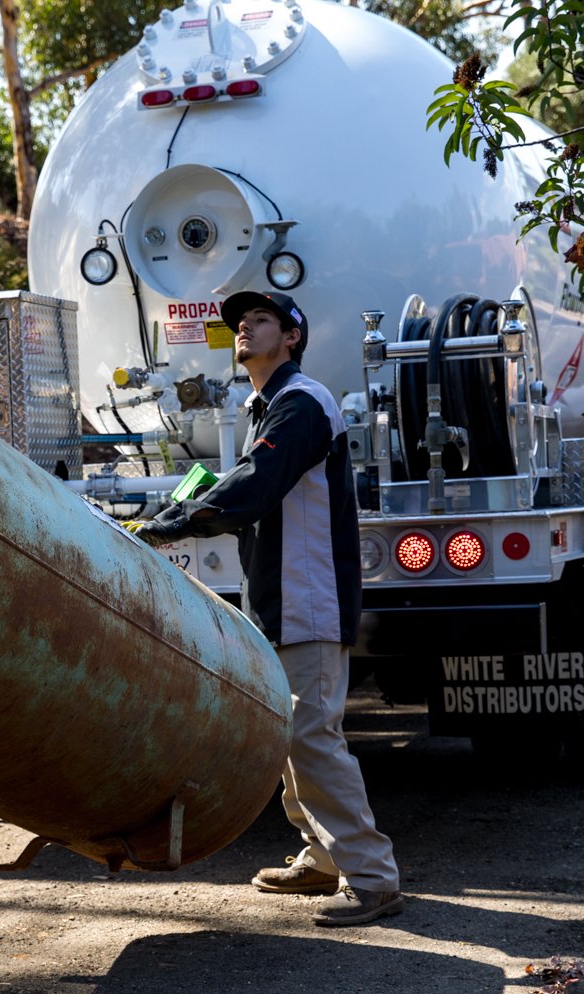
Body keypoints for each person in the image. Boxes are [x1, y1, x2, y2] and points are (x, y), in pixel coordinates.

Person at [130, 291, 402, 926]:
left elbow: (254, 485)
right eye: (240, 324)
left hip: (309, 599)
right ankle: (322, 856)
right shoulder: (267, 407)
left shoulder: (302, 403)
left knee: (311, 735)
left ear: (292, 337)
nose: (244, 330)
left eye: (259, 321)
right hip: (279, 597)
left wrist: (170, 525)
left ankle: (372, 876)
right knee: (287, 735)